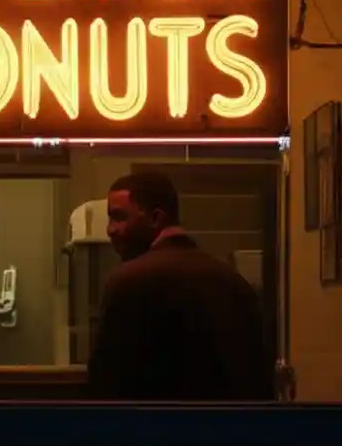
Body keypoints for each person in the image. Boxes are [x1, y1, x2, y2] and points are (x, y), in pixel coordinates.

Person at [87, 172, 276, 401]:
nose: (110, 230)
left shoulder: (126, 282)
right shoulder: (234, 281)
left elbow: (105, 383)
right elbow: (258, 378)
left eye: (119, 218)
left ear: (155, 218)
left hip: (150, 422)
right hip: (228, 423)